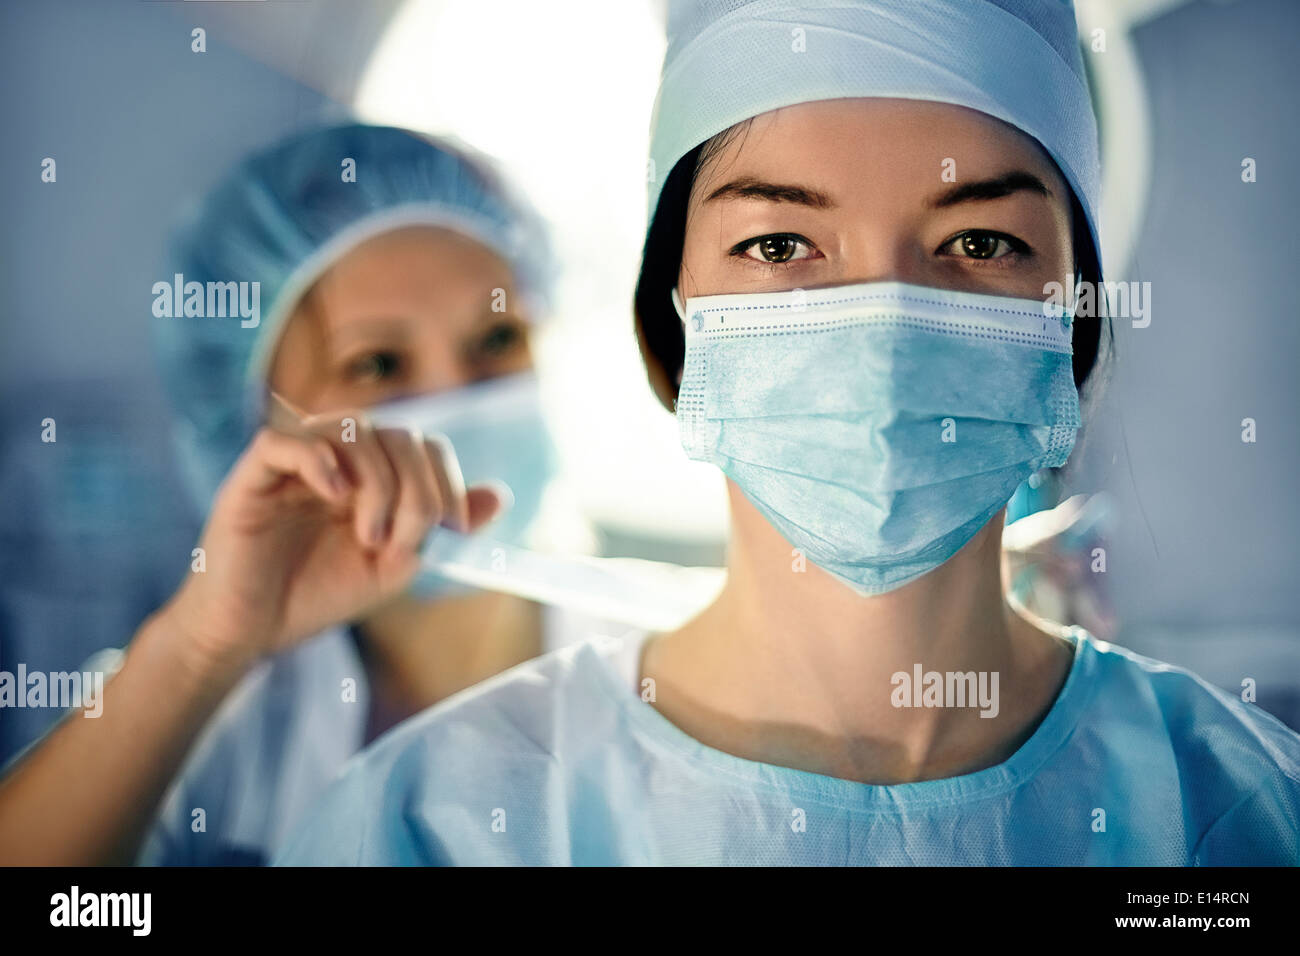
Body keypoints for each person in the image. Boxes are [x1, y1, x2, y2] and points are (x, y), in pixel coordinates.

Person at [296, 0, 1289, 865]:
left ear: (1072, 314)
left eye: (978, 243)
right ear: (669, 314)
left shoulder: (1235, 806)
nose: (884, 321)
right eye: (780, 244)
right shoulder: (442, 823)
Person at [0, 123, 586, 865]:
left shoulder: (659, 664)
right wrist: (198, 649)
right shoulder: (208, 720)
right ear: (253, 430)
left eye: (498, 340)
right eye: (376, 363)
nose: (454, 397)